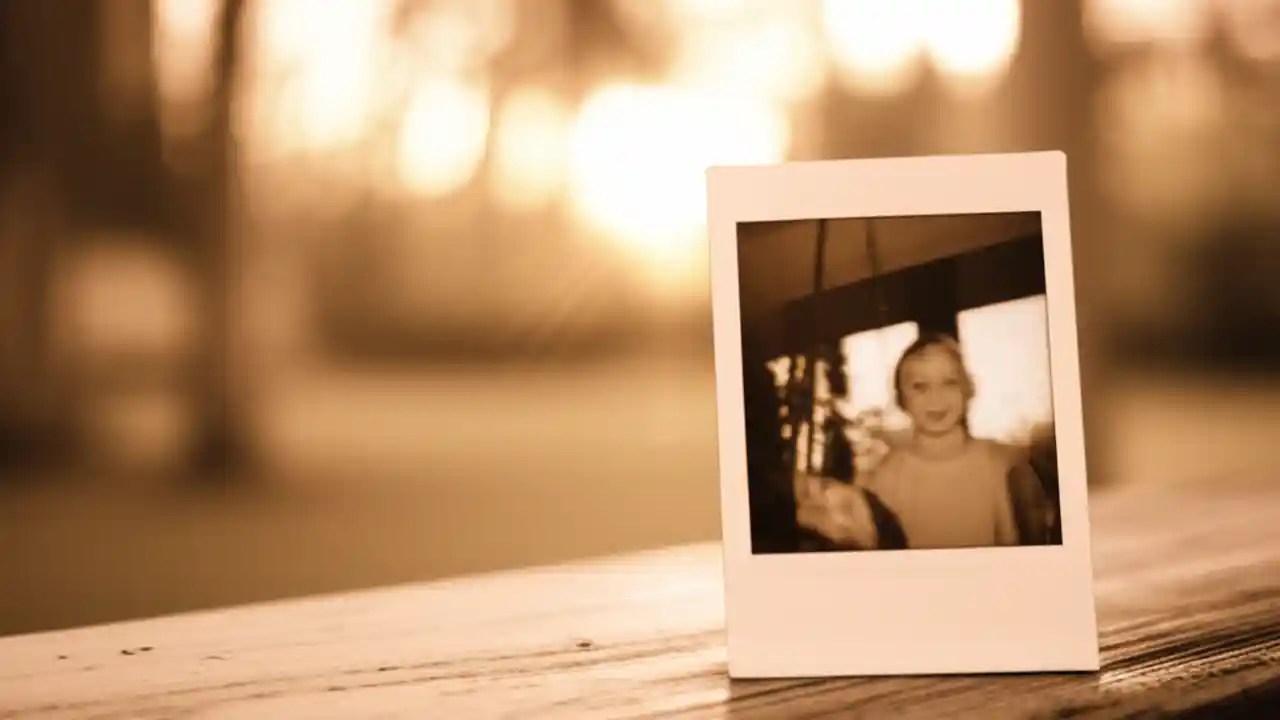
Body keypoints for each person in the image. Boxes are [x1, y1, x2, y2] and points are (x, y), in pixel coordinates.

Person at [799, 333, 1050, 549]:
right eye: (920, 387)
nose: (936, 397)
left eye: (949, 383)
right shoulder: (885, 475)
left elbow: (1013, 544)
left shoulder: (999, 462)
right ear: (901, 399)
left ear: (968, 389)